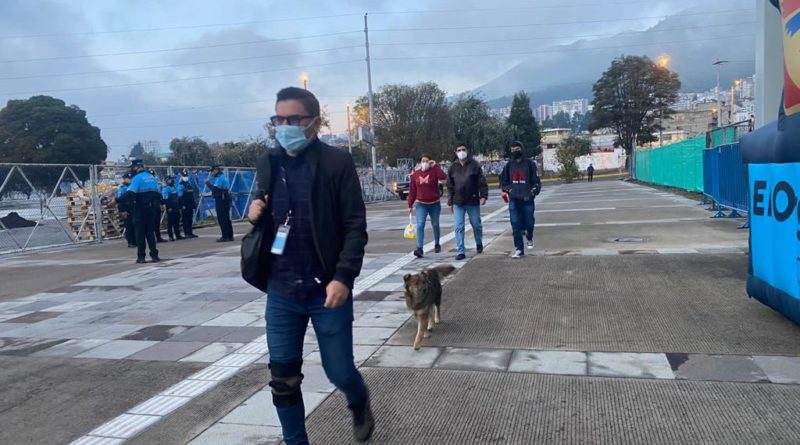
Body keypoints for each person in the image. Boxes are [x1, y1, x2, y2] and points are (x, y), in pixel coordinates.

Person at [247, 87, 373, 445]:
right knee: (283, 379)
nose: (284, 126)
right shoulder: (267, 162)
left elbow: (354, 226)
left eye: (293, 120)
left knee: (339, 371)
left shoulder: (336, 163)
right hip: (282, 288)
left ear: (314, 122)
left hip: (326, 288)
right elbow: (266, 204)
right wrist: (256, 208)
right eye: (278, 119)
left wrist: (343, 277)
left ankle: (359, 399)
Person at [500, 141, 541, 258]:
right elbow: (504, 181)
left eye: (517, 149)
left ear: (522, 149)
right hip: (514, 200)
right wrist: (508, 190)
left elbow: (536, 181)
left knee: (529, 222)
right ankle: (519, 249)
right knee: (515, 224)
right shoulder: (509, 165)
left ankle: (529, 236)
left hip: (527, 199)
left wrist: (533, 192)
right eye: (512, 150)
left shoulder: (530, 164)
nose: (514, 152)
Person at [447, 143, 488, 261]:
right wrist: (450, 200)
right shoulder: (452, 167)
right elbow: (450, 185)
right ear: (455, 152)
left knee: (476, 224)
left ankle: (479, 242)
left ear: (467, 151)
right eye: (459, 150)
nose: (461, 152)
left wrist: (483, 196)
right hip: (458, 202)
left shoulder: (475, 165)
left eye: (463, 149)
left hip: (472, 200)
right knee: (458, 226)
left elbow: (482, 182)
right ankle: (460, 250)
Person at [408, 154, 447, 258]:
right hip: (421, 204)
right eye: (423, 161)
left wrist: (436, 166)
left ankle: (437, 243)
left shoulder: (434, 172)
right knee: (420, 225)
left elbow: (443, 177)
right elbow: (412, 190)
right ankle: (420, 248)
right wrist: (410, 204)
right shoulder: (416, 174)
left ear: (430, 162)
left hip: (434, 203)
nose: (424, 163)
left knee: (435, 224)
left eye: (427, 161)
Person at [126, 160, 160, 264]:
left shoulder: (137, 178)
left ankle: (141, 257)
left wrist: (119, 200)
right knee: (150, 233)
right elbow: (158, 193)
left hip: (140, 209)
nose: (132, 169)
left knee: (140, 234)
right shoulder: (152, 177)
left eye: (133, 167)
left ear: (137, 167)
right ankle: (154, 255)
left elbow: (131, 193)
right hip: (152, 209)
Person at [206, 165, 234, 242]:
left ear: (216, 170)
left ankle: (225, 236)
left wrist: (208, 184)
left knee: (222, 218)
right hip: (225, 199)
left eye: (212, 171)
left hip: (221, 200)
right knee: (226, 218)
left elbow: (214, 189)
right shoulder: (223, 177)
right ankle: (230, 235)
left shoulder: (220, 179)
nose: (211, 173)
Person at [162, 176, 184, 241]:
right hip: (170, 207)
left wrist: (180, 206)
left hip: (176, 206)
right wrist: (168, 207)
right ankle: (171, 236)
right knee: (170, 222)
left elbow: (178, 197)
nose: (171, 181)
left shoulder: (174, 187)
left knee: (177, 221)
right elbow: (165, 199)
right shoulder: (166, 189)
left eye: (171, 179)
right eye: (169, 180)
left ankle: (178, 235)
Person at [116, 173, 136, 248]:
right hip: (126, 208)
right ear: (124, 179)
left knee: (135, 225)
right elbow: (120, 201)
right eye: (128, 178)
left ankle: (135, 241)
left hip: (133, 207)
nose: (129, 180)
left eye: (130, 178)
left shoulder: (132, 187)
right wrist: (122, 211)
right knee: (129, 226)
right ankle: (130, 241)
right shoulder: (122, 188)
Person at [149, 170, 168, 243]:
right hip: (150, 205)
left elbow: (159, 195)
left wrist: (162, 203)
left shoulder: (156, 184)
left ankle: (158, 237)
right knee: (151, 223)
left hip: (156, 205)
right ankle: (152, 238)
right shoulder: (146, 184)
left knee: (157, 222)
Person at [179, 172, 198, 238]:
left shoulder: (189, 184)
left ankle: (190, 232)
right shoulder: (180, 185)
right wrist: (183, 205)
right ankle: (186, 233)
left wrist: (193, 204)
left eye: (186, 175)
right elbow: (180, 196)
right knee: (185, 219)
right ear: (181, 177)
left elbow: (191, 195)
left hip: (190, 204)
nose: (186, 177)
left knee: (190, 219)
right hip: (185, 205)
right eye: (184, 176)